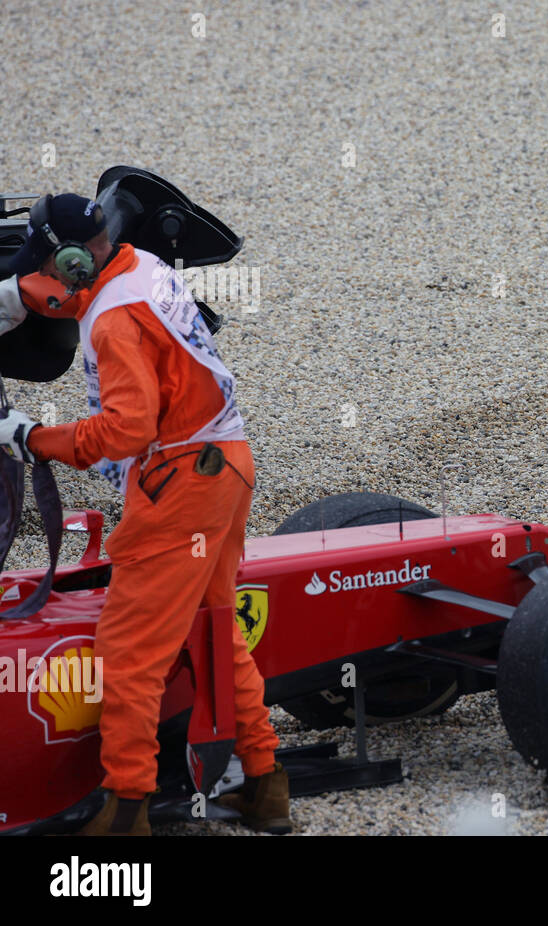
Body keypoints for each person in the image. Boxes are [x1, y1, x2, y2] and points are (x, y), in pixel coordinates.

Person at [0, 193, 289, 835]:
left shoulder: (113, 321)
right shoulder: (144, 264)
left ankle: (127, 810)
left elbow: (126, 431)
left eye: (47, 261)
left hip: (180, 483)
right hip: (227, 463)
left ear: (76, 257)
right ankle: (267, 786)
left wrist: (32, 437)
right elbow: (102, 299)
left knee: (129, 650)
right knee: (217, 630)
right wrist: (21, 296)